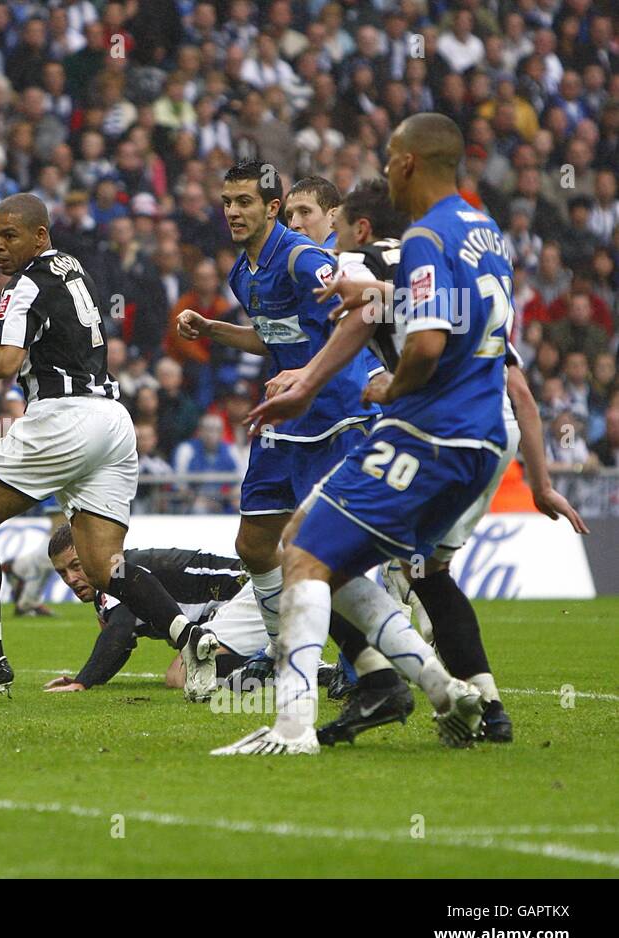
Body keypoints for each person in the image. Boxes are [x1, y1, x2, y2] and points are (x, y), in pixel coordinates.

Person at [213, 114, 519, 755]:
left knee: (309, 554)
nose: (382, 169)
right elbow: (384, 314)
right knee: (337, 555)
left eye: (387, 157)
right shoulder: (483, 232)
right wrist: (314, 368)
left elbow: (427, 343)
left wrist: (390, 385)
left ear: (407, 162)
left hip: (421, 429)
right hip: (484, 437)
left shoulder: (425, 236)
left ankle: (297, 724)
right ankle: (446, 690)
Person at [254, 177, 588, 744]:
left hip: (434, 430)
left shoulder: (367, 257)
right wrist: (540, 481)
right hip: (492, 437)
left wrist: (316, 378)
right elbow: (522, 392)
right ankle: (481, 705)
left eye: (331, 227)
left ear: (359, 227)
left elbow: (361, 293)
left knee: (311, 551)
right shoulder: (447, 274)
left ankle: (365, 690)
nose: (329, 243)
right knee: (427, 573)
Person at [0, 193, 210, 701]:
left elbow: (1, 366)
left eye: (9, 235)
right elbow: (57, 330)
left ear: (39, 235)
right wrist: (4, 327)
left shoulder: (23, 284)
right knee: (106, 565)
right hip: (111, 420)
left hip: (63, 419)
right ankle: (192, 639)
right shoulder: (71, 268)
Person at [174, 160, 378, 695]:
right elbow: (273, 338)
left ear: (271, 207)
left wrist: (308, 371)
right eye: (227, 202)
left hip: (338, 414)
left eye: (244, 202)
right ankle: (281, 646)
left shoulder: (302, 257)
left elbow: (367, 302)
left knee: (336, 546)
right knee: (254, 542)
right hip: (285, 419)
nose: (233, 212)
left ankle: (364, 671)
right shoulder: (243, 272)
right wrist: (214, 328)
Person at [39, 523, 270, 697]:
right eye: (62, 573)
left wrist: (82, 682)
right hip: (251, 594)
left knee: (181, 674)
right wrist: (88, 679)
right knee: (187, 668)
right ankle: (278, 659)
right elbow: (122, 645)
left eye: (76, 566)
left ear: (92, 553)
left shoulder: (117, 573)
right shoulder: (114, 580)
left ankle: (280, 667)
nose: (71, 579)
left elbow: (119, 630)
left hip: (249, 593)